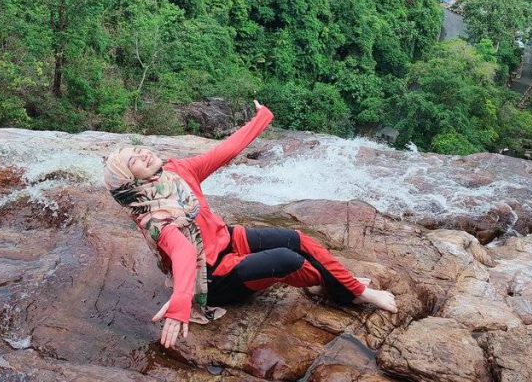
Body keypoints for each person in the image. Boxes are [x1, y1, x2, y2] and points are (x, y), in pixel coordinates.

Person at [103, 101, 397, 350]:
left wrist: (262, 118)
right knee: (289, 260)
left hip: (227, 240)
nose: (142, 154)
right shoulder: (152, 216)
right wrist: (180, 304)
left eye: (137, 150)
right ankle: (345, 289)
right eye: (133, 161)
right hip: (214, 276)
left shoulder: (177, 171)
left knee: (297, 239)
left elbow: (226, 151)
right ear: (131, 182)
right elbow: (183, 253)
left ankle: (345, 286)